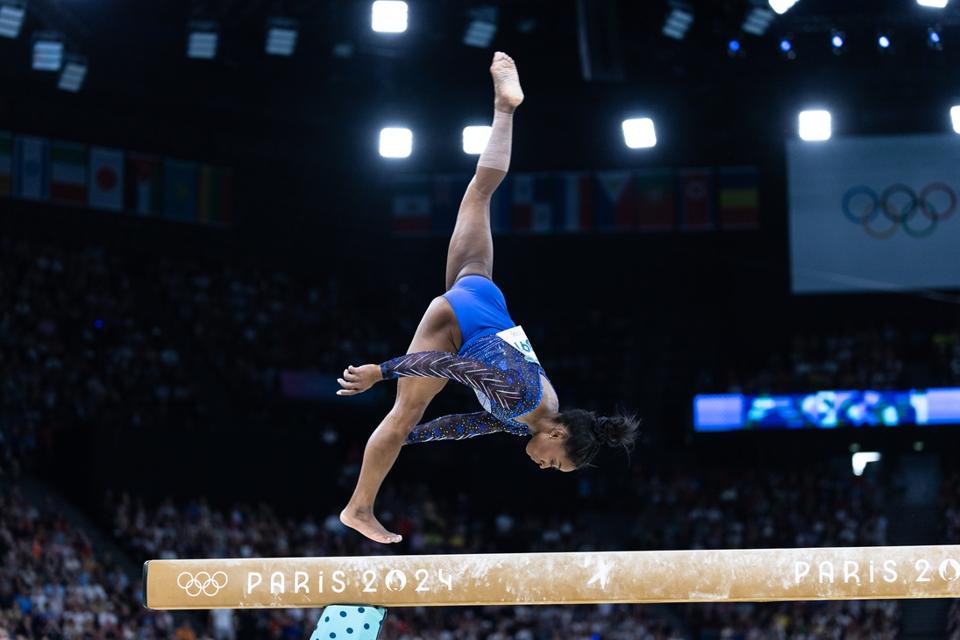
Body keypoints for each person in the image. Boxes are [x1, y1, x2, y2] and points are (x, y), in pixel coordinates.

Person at [338, 52, 639, 544]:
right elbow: (457, 369)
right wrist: (383, 372)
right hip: (456, 323)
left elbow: (468, 424)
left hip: (483, 295)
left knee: (479, 195)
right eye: (555, 464)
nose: (545, 467)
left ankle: (505, 109)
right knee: (398, 413)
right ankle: (358, 508)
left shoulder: (536, 412)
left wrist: (412, 441)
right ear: (559, 436)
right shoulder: (524, 400)